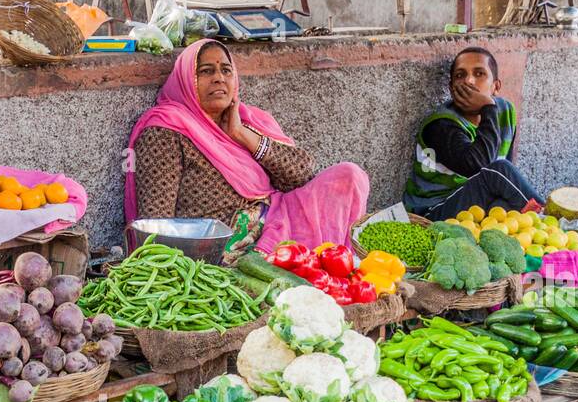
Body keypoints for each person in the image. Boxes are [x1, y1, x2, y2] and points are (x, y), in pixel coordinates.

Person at [125, 39, 369, 254]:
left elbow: (302, 176)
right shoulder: (166, 130)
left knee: (348, 176)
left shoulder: (245, 120)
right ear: (187, 80)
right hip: (224, 251)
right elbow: (156, 222)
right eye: (206, 71)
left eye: (226, 70)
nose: (219, 78)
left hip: (277, 224)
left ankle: (325, 263)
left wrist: (241, 134)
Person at [403, 47, 542, 220]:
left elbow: (505, 174)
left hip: (475, 203)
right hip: (433, 212)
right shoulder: (441, 125)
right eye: (460, 75)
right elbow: (480, 167)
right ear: (452, 88)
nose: (469, 81)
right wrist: (488, 109)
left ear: (496, 87)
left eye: (479, 74)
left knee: (509, 207)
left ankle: (550, 229)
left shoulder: (505, 111)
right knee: (500, 171)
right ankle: (551, 222)